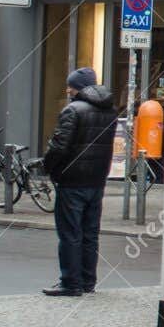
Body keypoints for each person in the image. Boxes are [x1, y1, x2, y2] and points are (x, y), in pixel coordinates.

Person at [41, 67, 118, 297]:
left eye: (70, 86)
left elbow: (59, 147)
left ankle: (70, 282)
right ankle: (87, 281)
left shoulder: (73, 111)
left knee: (70, 233)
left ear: (78, 88)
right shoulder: (110, 111)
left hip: (72, 181)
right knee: (90, 233)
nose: (67, 89)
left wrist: (50, 168)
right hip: (97, 181)